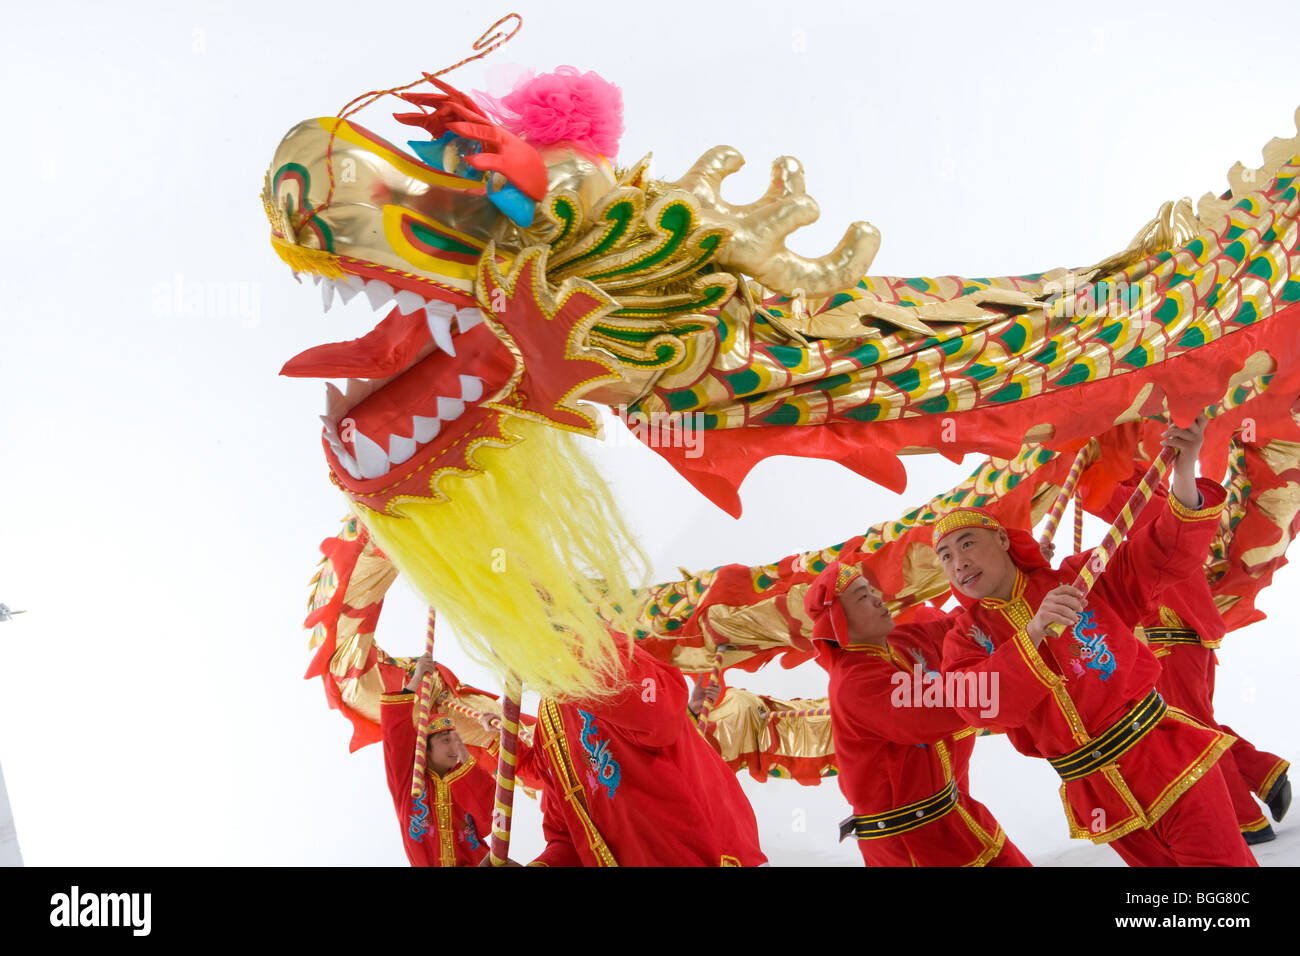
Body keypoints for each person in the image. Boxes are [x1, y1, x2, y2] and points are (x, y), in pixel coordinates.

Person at [937, 415, 1257, 866]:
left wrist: (1184, 472)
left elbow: (1163, 552)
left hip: (1167, 758)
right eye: (946, 556)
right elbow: (980, 705)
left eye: (967, 544)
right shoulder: (966, 639)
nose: (957, 562)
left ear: (1003, 540)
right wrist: (1032, 634)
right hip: (1100, 795)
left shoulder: (1077, 579)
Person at [1094, 470, 1291, 844]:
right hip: (1183, 639)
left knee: (1193, 733)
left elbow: (1098, 491)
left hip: (1171, 639)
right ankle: (1261, 771)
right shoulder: (1154, 510)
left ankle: (1244, 820)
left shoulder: (1147, 508)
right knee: (1198, 724)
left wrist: (1078, 454)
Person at [805, 561, 1031, 866]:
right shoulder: (855, 683)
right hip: (910, 846)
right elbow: (941, 706)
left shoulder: (900, 643)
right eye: (862, 597)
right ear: (840, 623)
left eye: (873, 591)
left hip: (957, 817)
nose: (877, 599)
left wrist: (1011, 585)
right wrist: (1023, 668)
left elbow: (960, 627)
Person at [494, 638, 768, 866]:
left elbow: (662, 716)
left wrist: (565, 665)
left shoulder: (606, 652)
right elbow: (569, 838)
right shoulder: (549, 724)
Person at [380, 653, 496, 867]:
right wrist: (415, 681)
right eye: (445, 740)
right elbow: (395, 736)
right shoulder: (408, 783)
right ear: (426, 750)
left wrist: (470, 754)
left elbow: (491, 821)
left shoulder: (466, 780)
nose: (455, 746)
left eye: (456, 740)